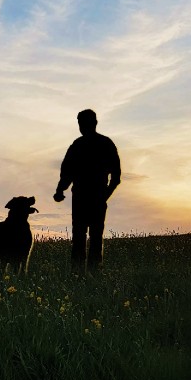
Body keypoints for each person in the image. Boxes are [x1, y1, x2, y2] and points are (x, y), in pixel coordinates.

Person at [54, 109, 121, 273]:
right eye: (80, 123)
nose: (81, 126)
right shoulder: (82, 145)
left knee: (89, 237)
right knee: (84, 237)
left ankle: (87, 274)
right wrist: (60, 190)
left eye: (83, 123)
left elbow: (116, 176)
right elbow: (67, 173)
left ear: (94, 123)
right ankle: (83, 274)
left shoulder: (94, 145)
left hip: (91, 198)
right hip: (84, 199)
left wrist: (105, 195)